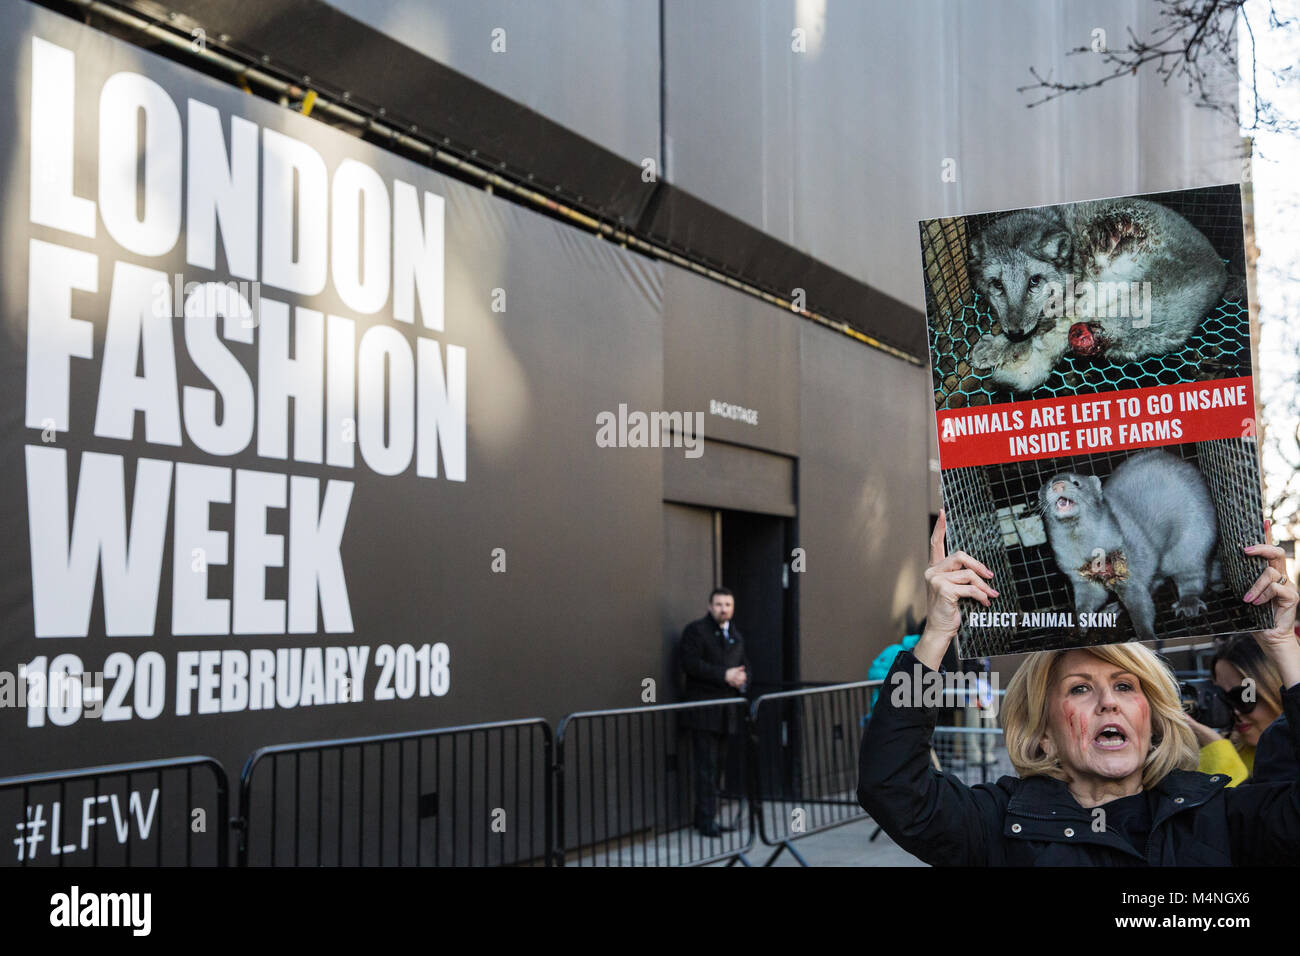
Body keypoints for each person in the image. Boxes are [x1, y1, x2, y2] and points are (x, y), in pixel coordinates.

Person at [856, 508, 1300, 865]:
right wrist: (935, 634)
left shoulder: (1217, 817)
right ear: (1044, 732)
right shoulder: (999, 826)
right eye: (1080, 690)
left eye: (1126, 686)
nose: (1109, 702)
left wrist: (1283, 645)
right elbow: (891, 786)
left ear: (1152, 719)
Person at [679, 587, 750, 837]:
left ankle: (707, 817)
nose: (723, 609)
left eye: (728, 605)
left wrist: (742, 679)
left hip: (727, 714)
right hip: (704, 711)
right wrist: (724, 675)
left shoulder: (736, 637)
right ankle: (707, 820)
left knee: (717, 767)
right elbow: (690, 664)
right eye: (719, 604)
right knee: (705, 768)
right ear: (710, 606)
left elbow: (745, 668)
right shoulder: (696, 631)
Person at [1187, 633, 1298, 784]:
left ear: (1276, 687)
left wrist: (1220, 755)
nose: (1234, 711)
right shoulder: (1229, 750)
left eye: (1244, 697)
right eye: (1221, 698)